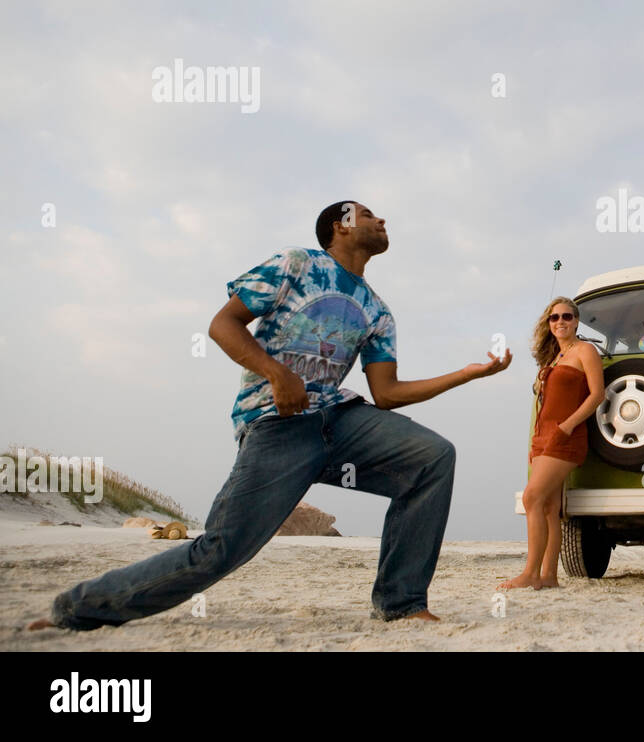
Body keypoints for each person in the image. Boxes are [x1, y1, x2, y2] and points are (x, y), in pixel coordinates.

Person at [28, 201, 512, 632]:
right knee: (221, 548)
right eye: (367, 214)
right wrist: (276, 373)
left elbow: (385, 394)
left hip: (342, 423)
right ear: (340, 226)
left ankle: (401, 603)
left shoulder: (377, 310)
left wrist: (465, 375)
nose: (381, 220)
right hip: (277, 426)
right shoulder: (295, 263)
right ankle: (78, 607)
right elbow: (223, 324)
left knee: (431, 457)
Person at [499, 297, 603, 589]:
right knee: (548, 508)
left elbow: (597, 395)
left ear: (576, 320)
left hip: (566, 436)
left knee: (532, 497)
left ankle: (530, 573)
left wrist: (567, 426)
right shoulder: (552, 358)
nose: (561, 322)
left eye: (567, 317)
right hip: (542, 436)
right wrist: (537, 438)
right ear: (549, 323)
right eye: (555, 318)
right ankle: (549, 576)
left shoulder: (585, 351)